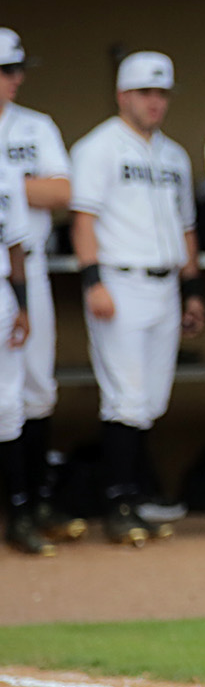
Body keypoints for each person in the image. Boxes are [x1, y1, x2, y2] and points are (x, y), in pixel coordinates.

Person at [69, 52, 205, 547]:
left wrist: (192, 291)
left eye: (161, 93)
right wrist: (92, 281)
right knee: (125, 397)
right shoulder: (98, 147)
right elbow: (83, 221)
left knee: (149, 400)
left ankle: (134, 495)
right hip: (120, 283)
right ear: (123, 95)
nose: (155, 102)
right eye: (145, 93)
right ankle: (118, 503)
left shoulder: (173, 156)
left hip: (165, 285)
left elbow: (187, 228)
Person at [0, 28, 83, 544]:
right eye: (6, 70)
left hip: (24, 267)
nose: (15, 79)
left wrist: (8, 185)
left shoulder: (36, 125)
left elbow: (63, 191)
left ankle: (33, 502)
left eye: (16, 69)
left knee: (35, 389)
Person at [1, 162, 41, 553]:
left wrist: (23, 305)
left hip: (1, 294)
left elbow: (15, 242)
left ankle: (19, 514)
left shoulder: (6, 170)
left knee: (8, 408)